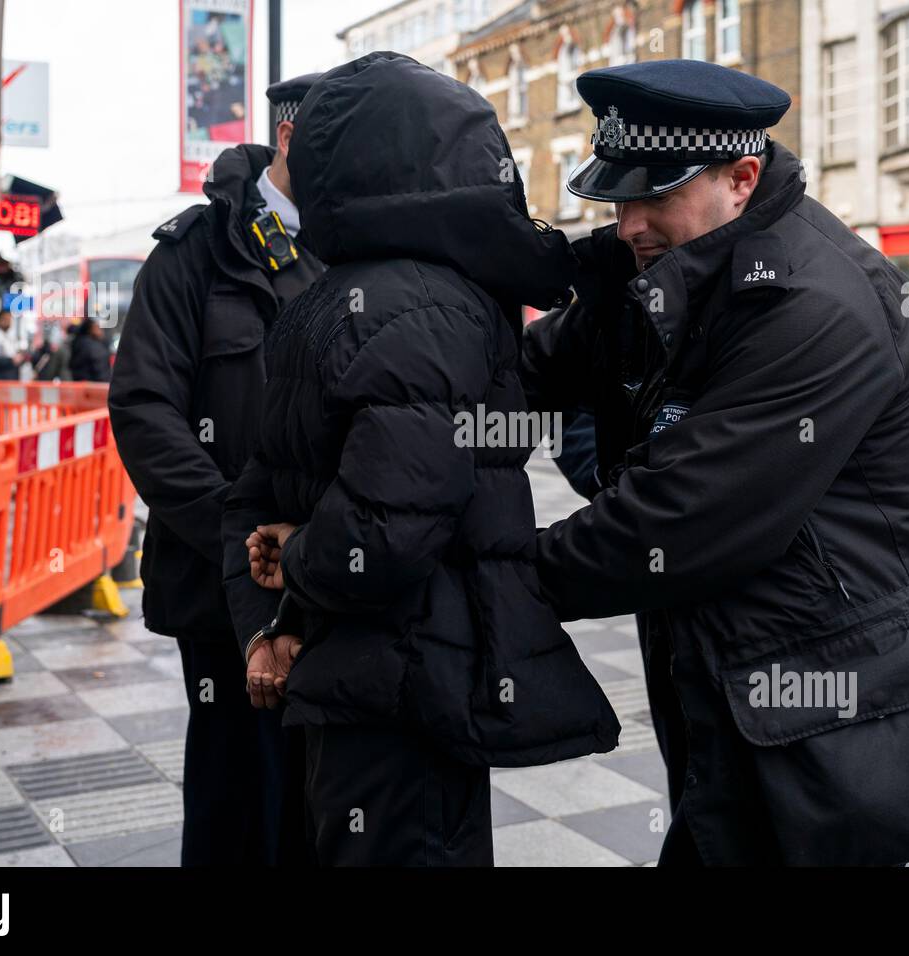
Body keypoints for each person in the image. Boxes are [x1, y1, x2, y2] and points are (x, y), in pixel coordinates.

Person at [520, 59, 909, 866]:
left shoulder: (815, 304)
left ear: (742, 177)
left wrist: (471, 576)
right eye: (618, 198)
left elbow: (678, 515)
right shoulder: (671, 272)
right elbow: (532, 371)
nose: (628, 224)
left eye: (655, 196)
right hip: (748, 673)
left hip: (852, 704)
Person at [222, 52, 619, 867]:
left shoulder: (367, 300)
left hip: (383, 677)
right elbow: (364, 515)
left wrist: (289, 578)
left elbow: (340, 509)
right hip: (401, 675)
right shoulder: (422, 300)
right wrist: (296, 574)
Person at [108, 74, 325, 866]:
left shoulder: (357, 246)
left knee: (321, 809)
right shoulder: (195, 251)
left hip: (332, 577)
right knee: (237, 806)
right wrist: (242, 540)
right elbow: (143, 410)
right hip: (216, 590)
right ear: (295, 138)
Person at [68, 318, 112, 382]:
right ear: (90, 329)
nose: (102, 331)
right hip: (95, 386)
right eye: (98, 328)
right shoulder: (94, 348)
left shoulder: (79, 342)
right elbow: (101, 372)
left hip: (82, 385)